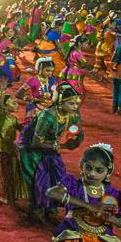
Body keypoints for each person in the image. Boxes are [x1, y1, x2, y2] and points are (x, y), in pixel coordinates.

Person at [19, 83, 83, 221]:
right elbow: (36, 142)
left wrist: (75, 141)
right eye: (71, 103)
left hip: (50, 147)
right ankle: (36, 207)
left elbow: (78, 132)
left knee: (56, 174)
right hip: (31, 148)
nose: (75, 107)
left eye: (76, 103)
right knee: (36, 177)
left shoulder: (72, 114)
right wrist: (58, 146)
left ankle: (50, 207)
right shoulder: (47, 116)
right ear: (61, 103)